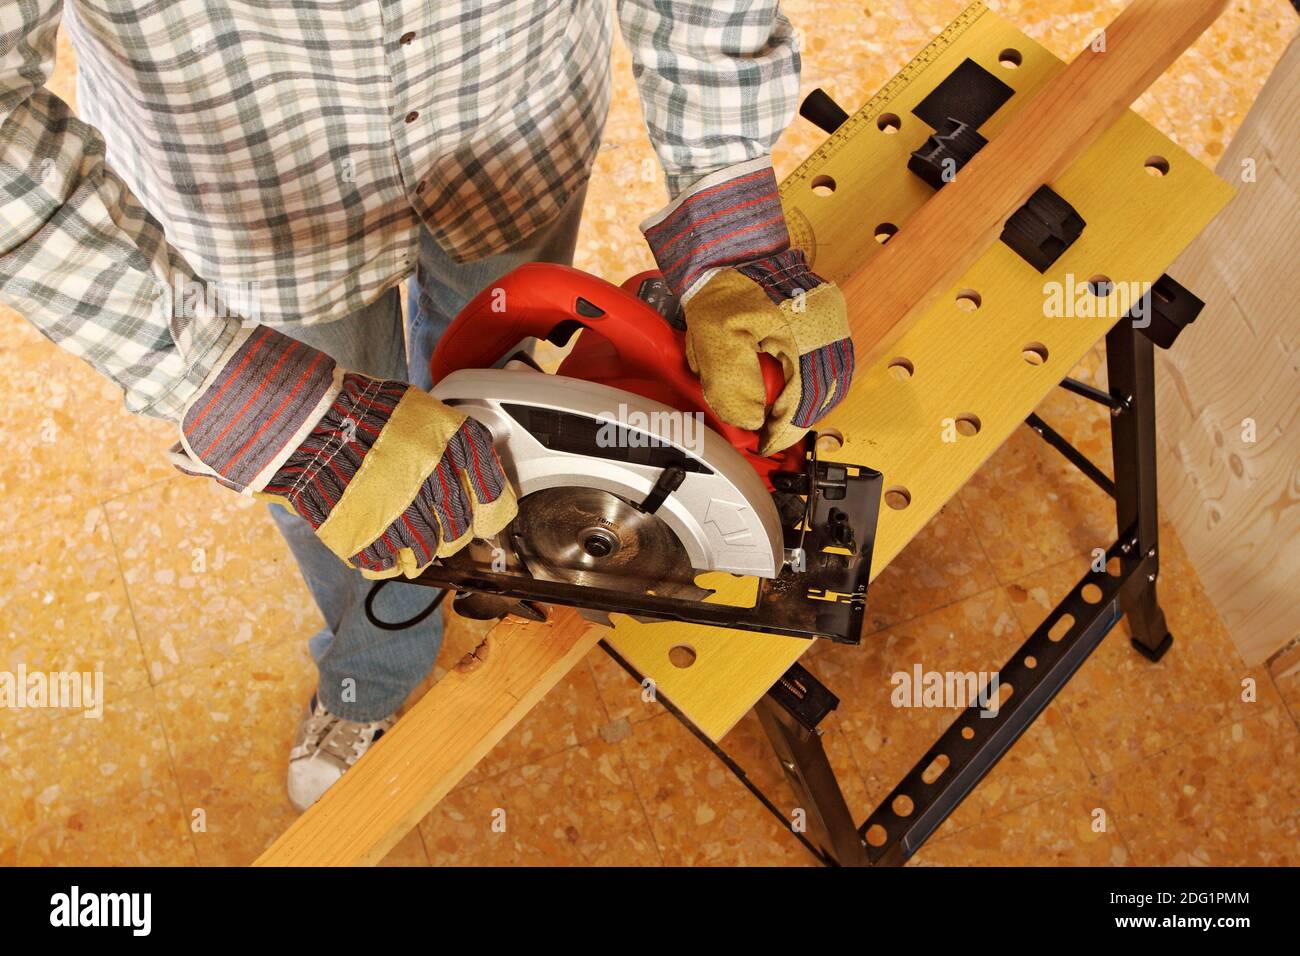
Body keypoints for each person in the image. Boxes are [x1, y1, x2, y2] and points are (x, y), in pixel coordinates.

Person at [0, 1, 853, 810]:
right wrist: (255, 408)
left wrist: (728, 226)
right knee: (337, 477)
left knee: (507, 417)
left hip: (516, 127)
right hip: (246, 196)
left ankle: (544, 544)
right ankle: (372, 669)